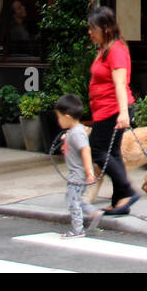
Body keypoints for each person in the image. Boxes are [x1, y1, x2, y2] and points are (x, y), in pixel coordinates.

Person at [87, 6, 139, 215]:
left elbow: (120, 84)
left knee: (97, 149)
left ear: (106, 28)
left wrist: (123, 113)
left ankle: (127, 191)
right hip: (105, 109)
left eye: (93, 28)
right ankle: (120, 200)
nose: (90, 32)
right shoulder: (105, 49)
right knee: (112, 153)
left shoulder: (116, 50)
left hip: (113, 110)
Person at [55, 94, 103, 238]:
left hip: (78, 174)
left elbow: (85, 150)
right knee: (76, 199)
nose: (58, 121)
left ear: (67, 117)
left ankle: (78, 229)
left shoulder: (77, 133)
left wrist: (89, 171)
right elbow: (76, 149)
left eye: (59, 117)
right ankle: (93, 212)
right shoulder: (75, 131)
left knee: (73, 201)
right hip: (76, 173)